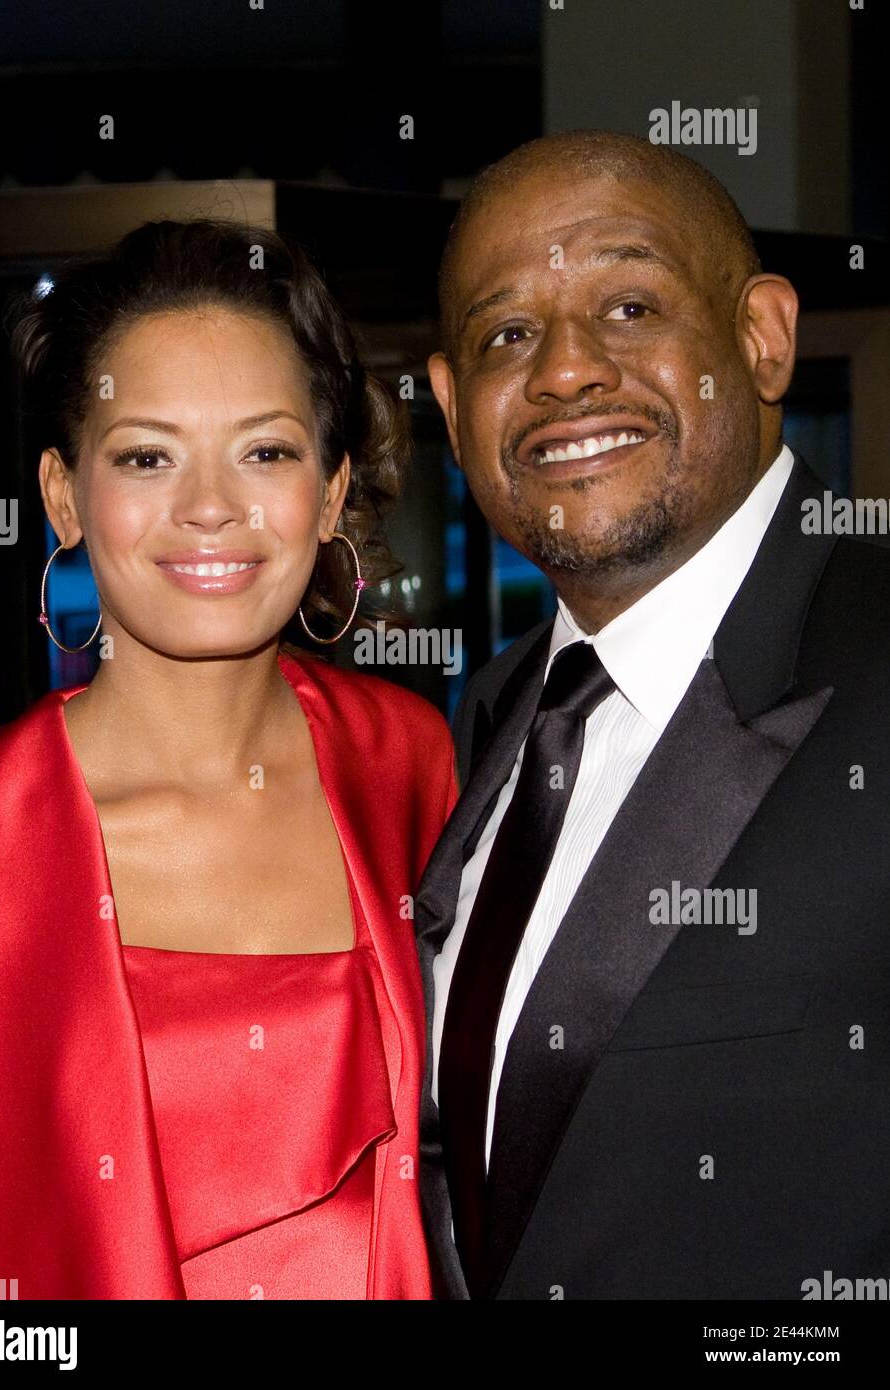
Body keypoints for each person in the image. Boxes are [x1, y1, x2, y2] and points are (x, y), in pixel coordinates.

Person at [0, 218, 455, 1300]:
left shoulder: (406, 761)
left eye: (265, 451)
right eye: (147, 456)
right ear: (65, 496)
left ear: (332, 490)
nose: (210, 507)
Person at [417, 131, 890, 1300]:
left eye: (629, 305)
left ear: (763, 336)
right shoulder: (492, 716)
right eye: (506, 334)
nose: (565, 372)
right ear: (448, 400)